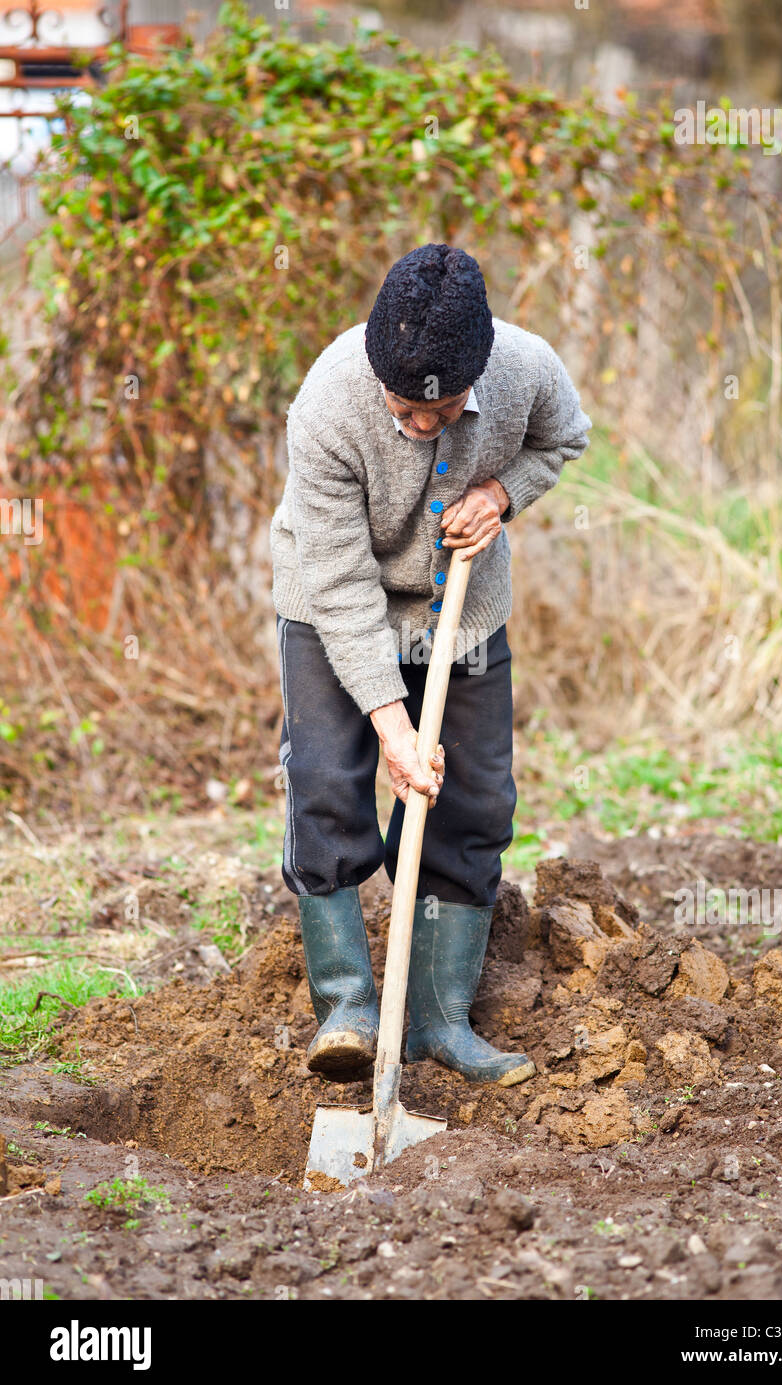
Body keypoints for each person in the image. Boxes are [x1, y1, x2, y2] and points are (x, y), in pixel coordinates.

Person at [270, 243, 591, 1086]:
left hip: (464, 607)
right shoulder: (330, 403)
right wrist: (392, 723)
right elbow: (337, 579)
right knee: (329, 783)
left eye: (439, 411)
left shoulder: (526, 368)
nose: (418, 424)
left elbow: (566, 438)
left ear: (476, 377)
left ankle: (440, 1019)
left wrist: (501, 493)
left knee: (476, 798)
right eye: (402, 407)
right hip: (333, 600)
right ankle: (347, 1006)